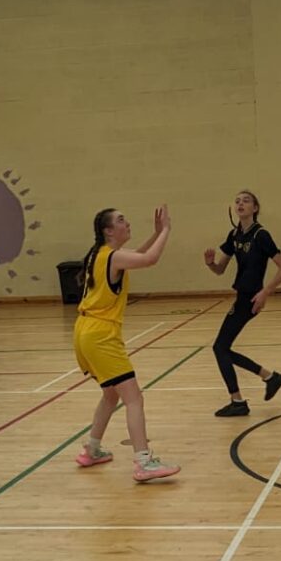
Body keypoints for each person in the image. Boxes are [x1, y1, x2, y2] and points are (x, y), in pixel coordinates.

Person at [74, 206, 180, 481]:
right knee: (133, 398)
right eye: (121, 220)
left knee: (111, 394)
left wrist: (155, 234)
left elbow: (138, 256)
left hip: (85, 332)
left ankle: (92, 449)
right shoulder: (111, 256)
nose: (127, 222)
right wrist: (166, 230)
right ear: (108, 230)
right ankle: (144, 461)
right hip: (101, 335)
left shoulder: (101, 254)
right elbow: (149, 260)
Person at [203, 190, 281, 418]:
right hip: (241, 296)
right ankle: (269, 377)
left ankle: (239, 401)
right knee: (222, 348)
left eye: (246, 201)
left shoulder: (261, 235)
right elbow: (220, 269)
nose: (240, 203)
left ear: (255, 208)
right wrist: (210, 264)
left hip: (251, 297)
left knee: (219, 348)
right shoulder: (234, 235)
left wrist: (265, 292)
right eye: (237, 201)